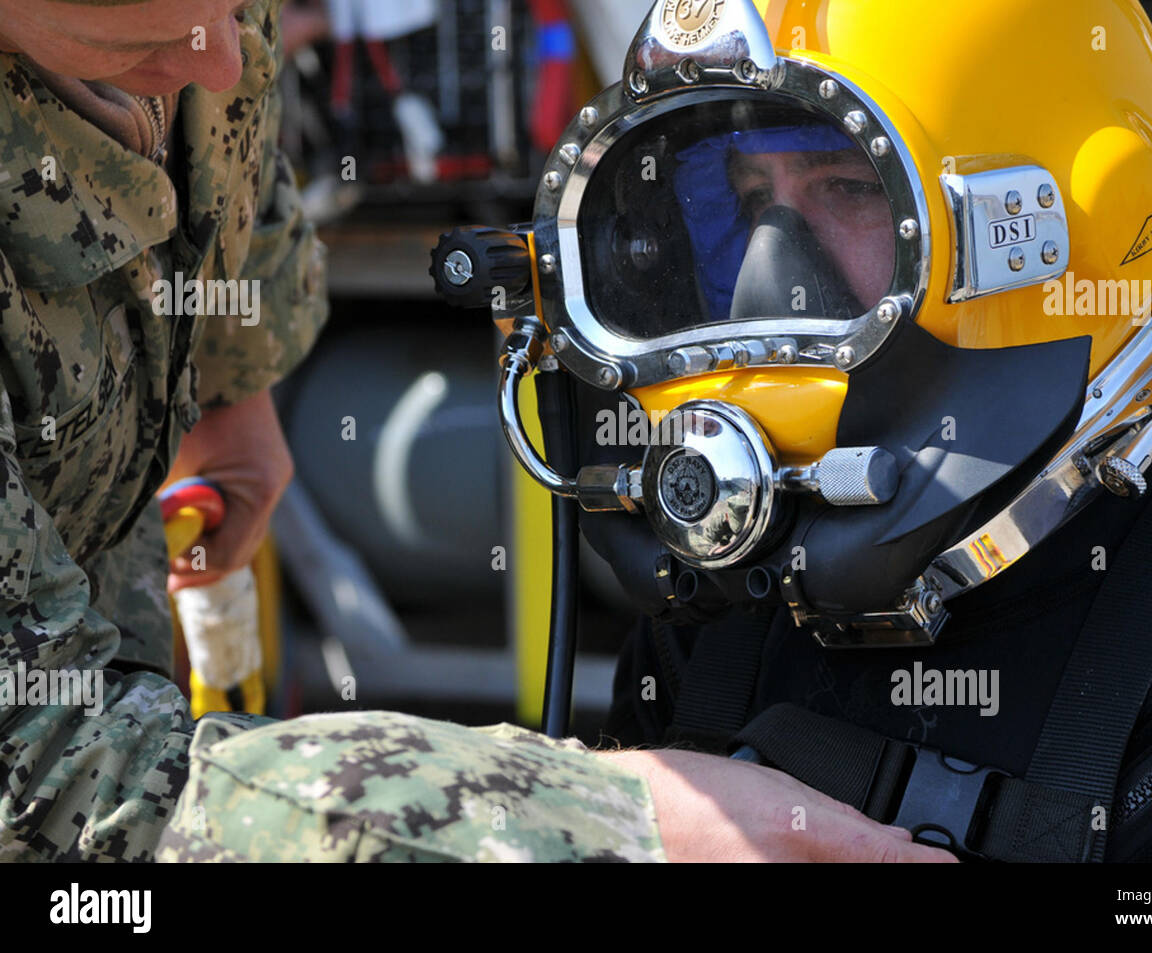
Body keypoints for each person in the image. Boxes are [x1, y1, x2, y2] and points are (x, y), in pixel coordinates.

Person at [0, 0, 955, 863]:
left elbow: (231, 118)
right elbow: (50, 781)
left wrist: (231, 373)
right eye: (128, 43)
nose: (217, 58)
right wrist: (608, 825)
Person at [466, 0, 1152, 861]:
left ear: (1071, 232)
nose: (767, 277)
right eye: (751, 198)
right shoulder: (720, 609)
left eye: (847, 187)